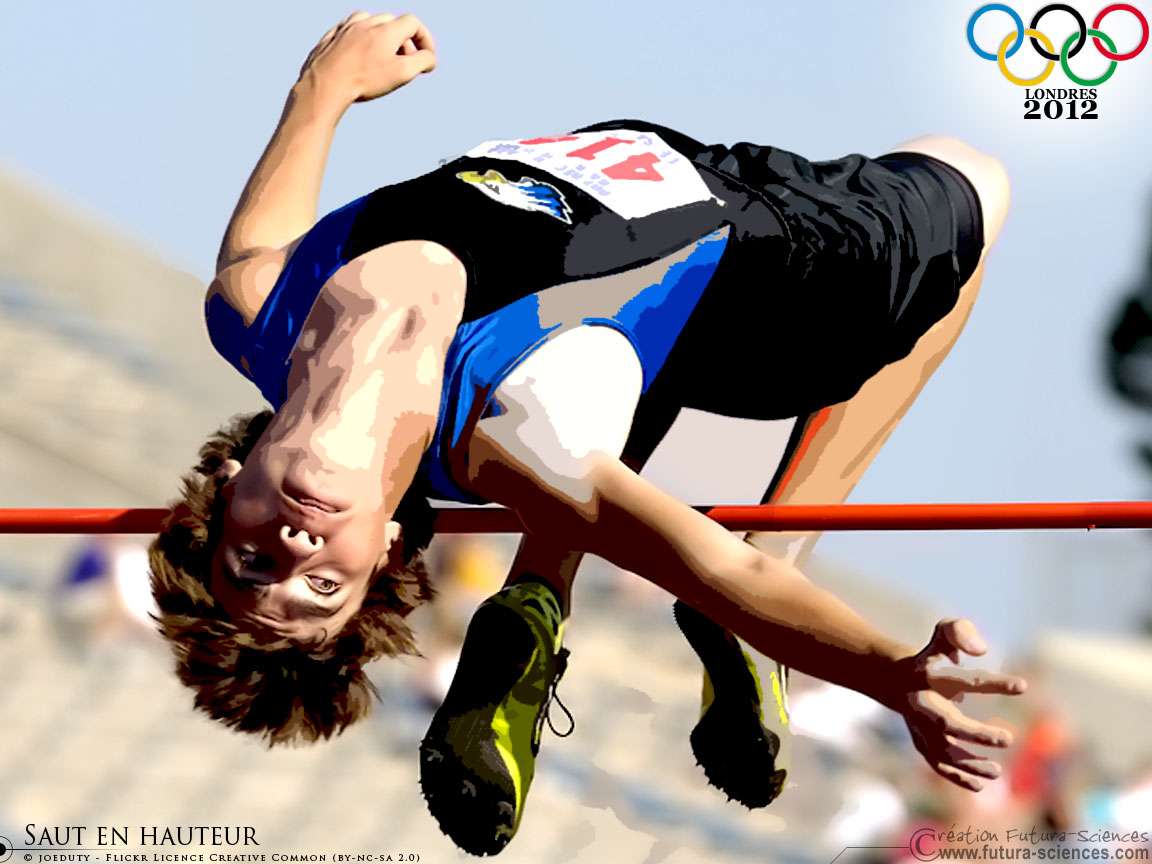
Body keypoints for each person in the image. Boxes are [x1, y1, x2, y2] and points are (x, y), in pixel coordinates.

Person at [146, 10, 1025, 856]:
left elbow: (254, 241)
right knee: (975, 179)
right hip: (783, 261)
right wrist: (893, 676)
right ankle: (632, 578)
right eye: (324, 583)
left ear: (224, 490)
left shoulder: (255, 308)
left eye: (255, 564)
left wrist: (325, 86)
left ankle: (542, 597)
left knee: (595, 402)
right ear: (384, 551)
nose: (297, 546)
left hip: (639, 164)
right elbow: (724, 568)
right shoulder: (513, 427)